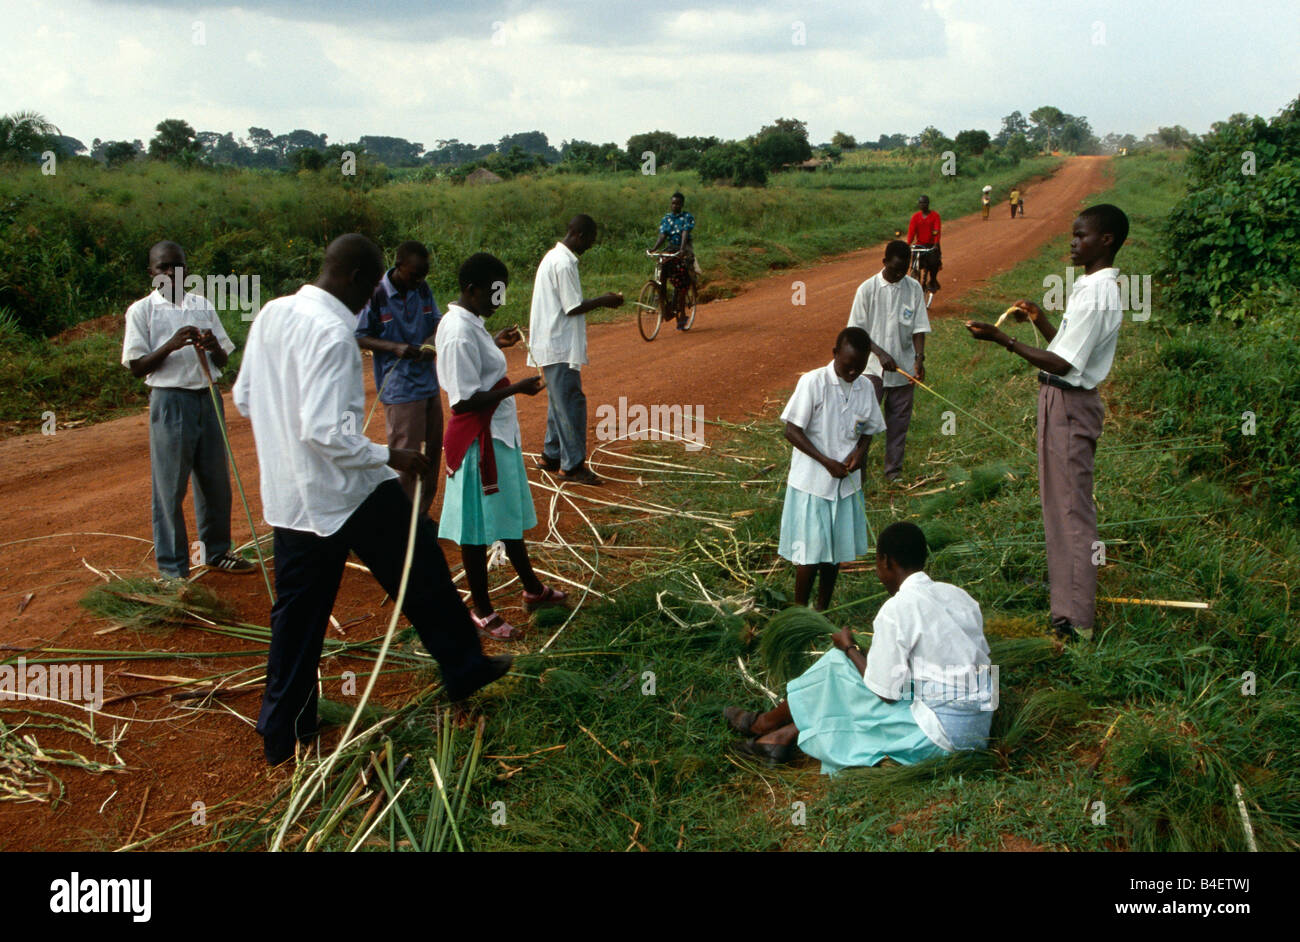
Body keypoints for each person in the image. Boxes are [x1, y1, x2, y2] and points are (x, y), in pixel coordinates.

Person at [233, 234, 510, 766]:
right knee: (419, 564)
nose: (373, 299)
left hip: (290, 498)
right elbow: (326, 434)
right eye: (374, 284)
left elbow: (247, 398)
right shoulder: (335, 335)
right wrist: (393, 456)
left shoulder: (271, 313)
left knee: (297, 614)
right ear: (360, 278)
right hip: (346, 491)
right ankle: (464, 666)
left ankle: (283, 731)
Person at [964, 204, 1130, 642]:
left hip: (1071, 405)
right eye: (1073, 236)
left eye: (1081, 236)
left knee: (1072, 513)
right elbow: (1069, 350)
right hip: (1062, 398)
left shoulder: (1097, 292)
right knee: (1060, 508)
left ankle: (1076, 623)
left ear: (1106, 241)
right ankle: (1067, 601)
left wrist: (1003, 339)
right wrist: (1040, 320)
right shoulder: (1091, 287)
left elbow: (1063, 362)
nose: (1073, 243)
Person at [724, 522, 994, 772]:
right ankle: (780, 736)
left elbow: (885, 694)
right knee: (849, 675)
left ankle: (765, 723)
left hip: (941, 740)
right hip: (979, 730)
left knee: (837, 667)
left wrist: (850, 648)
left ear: (885, 561)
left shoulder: (897, 608)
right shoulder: (958, 596)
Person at [437, 252, 568, 640]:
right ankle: (481, 610)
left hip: (496, 434)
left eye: (502, 292)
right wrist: (518, 387)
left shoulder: (470, 324)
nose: (498, 300)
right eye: (493, 293)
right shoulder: (459, 331)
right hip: (479, 441)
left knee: (507, 516)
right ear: (471, 289)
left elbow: (475, 366)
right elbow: (462, 400)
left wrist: (495, 343)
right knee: (477, 531)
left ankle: (531, 588)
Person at [121, 240, 254, 580]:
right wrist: (171, 344)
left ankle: (216, 551)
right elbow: (137, 367)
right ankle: (173, 569)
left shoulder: (201, 304)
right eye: (162, 267)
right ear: (151, 273)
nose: (170, 273)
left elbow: (223, 358)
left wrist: (212, 347)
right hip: (170, 401)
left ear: (186, 270)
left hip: (207, 396)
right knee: (170, 488)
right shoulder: (142, 311)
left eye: (176, 266)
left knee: (215, 482)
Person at [777, 327, 885, 610]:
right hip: (813, 483)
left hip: (846, 484)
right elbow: (792, 430)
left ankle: (822, 608)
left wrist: (859, 454)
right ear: (835, 354)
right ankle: (800, 612)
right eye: (847, 367)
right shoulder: (814, 382)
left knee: (833, 554)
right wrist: (826, 461)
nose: (852, 374)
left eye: (859, 368)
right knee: (811, 553)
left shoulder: (865, 387)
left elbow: (869, 429)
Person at [528, 214, 624, 485]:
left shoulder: (553, 257)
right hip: (558, 344)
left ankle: (553, 453)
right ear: (580, 236)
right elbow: (573, 306)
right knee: (570, 402)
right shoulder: (564, 263)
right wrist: (605, 301)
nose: (591, 245)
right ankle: (572, 467)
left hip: (550, 342)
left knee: (559, 400)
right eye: (591, 240)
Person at [354, 240, 442, 516]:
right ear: (399, 265)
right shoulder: (376, 294)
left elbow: (438, 323)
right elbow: (358, 335)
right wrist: (394, 347)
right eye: (414, 274)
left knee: (431, 458)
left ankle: (421, 519)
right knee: (406, 460)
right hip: (400, 390)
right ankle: (401, 522)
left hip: (428, 383)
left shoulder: (422, 289)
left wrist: (430, 341)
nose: (419, 281)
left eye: (423, 275)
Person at [846, 240, 930, 483]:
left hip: (903, 369)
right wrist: (880, 354)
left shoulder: (913, 288)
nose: (898, 275)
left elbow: (919, 328)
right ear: (884, 262)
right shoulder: (867, 289)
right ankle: (857, 470)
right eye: (894, 269)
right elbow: (857, 332)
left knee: (899, 423)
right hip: (872, 369)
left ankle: (893, 473)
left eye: (903, 270)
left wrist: (919, 358)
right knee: (864, 424)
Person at [648, 191, 696, 329]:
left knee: (681, 281)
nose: (674, 206)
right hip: (670, 248)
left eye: (677, 203)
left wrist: (681, 249)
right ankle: (664, 303)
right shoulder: (667, 218)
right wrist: (654, 248)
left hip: (684, 248)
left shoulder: (687, 217)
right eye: (673, 203)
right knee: (662, 270)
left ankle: (681, 314)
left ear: (682, 204)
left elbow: (685, 234)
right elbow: (662, 235)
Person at [905, 195, 942, 294]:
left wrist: (936, 243)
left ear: (928, 204)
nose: (922, 205)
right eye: (921, 203)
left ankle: (933, 280)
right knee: (914, 264)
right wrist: (908, 244)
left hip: (931, 245)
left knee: (934, 263)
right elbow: (911, 232)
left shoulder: (935, 216)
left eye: (924, 203)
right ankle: (914, 279)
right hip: (919, 245)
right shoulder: (915, 217)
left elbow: (936, 231)